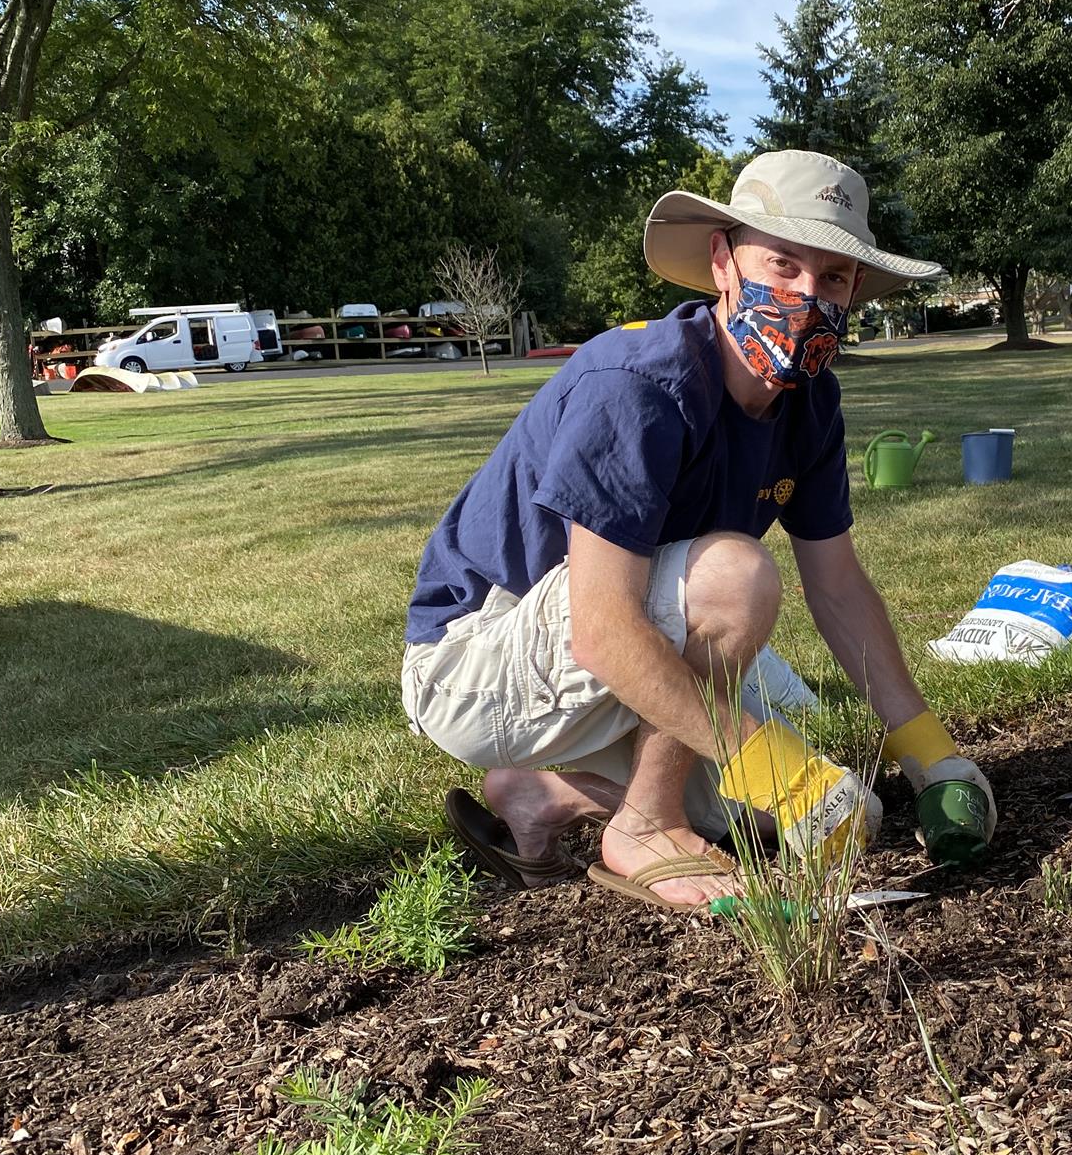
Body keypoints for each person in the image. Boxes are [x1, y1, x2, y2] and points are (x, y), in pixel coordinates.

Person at [402, 150, 997, 909]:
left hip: (591, 659)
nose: (808, 297)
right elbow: (604, 632)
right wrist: (775, 764)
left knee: (839, 814)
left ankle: (540, 791)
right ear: (723, 260)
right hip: (475, 660)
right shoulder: (639, 388)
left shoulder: (809, 404)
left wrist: (930, 755)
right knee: (735, 581)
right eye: (783, 264)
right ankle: (644, 826)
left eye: (834, 277)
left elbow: (840, 589)